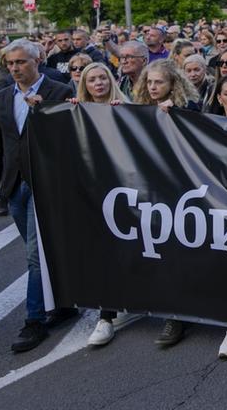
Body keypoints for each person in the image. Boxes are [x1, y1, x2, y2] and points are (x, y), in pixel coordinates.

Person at [0, 39, 77, 353]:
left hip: (46, 183)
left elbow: (70, 138)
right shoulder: (3, 96)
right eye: (10, 64)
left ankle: (33, 320)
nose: (15, 68)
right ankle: (63, 303)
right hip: (14, 184)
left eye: (20, 62)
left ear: (37, 60)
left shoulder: (59, 90)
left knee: (35, 255)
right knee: (39, 252)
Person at [67, 62, 127, 346]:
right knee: (103, 253)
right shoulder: (76, 112)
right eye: (92, 79)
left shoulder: (126, 107)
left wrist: (124, 115)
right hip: (94, 194)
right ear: (84, 84)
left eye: (103, 77)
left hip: (127, 193)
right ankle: (106, 317)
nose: (99, 83)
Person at [134, 59, 199, 112]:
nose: (152, 87)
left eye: (159, 82)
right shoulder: (144, 106)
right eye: (149, 82)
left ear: (173, 83)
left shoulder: (188, 105)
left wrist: (175, 109)